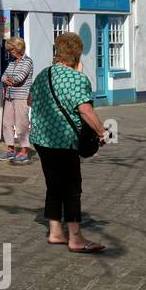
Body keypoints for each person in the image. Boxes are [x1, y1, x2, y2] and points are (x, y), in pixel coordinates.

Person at [30, 31, 107, 253]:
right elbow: (84, 109)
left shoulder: (44, 74)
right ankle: (76, 238)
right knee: (72, 188)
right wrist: (102, 132)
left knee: (53, 186)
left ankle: (55, 231)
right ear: (77, 54)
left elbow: (30, 100)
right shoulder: (77, 78)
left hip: (42, 139)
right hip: (64, 141)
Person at [0, 37, 35, 165]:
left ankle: (24, 151)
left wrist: (9, 79)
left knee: (21, 124)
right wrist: (6, 80)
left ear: (18, 48)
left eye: (11, 49)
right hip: (9, 96)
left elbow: (19, 78)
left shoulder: (27, 61)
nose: (9, 52)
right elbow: (3, 76)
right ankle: (10, 149)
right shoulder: (12, 62)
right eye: (9, 50)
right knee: (6, 123)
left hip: (21, 97)